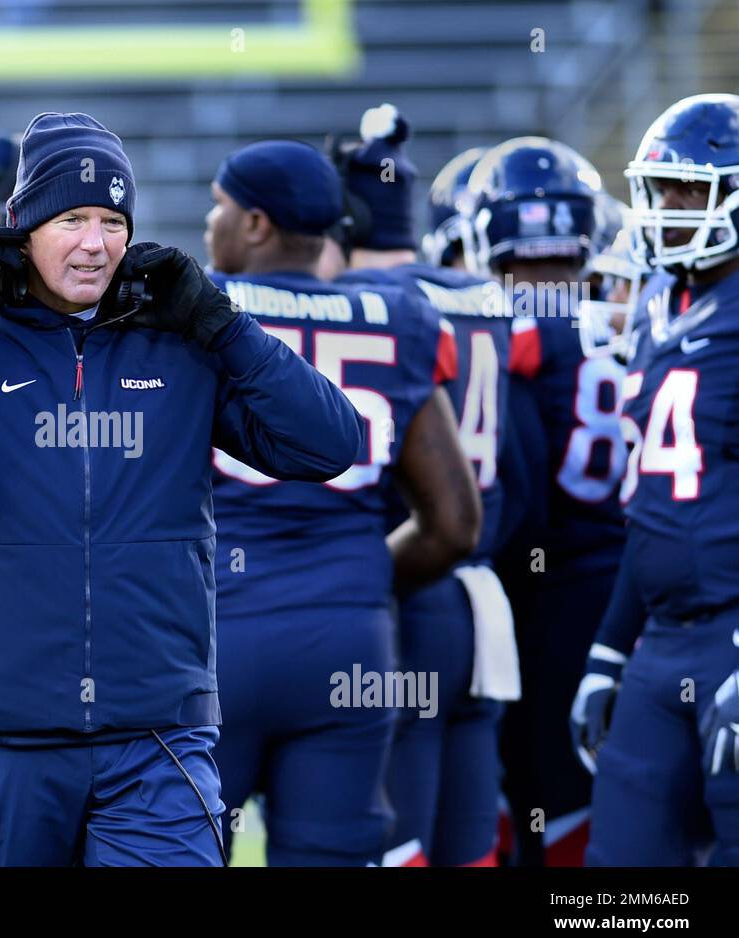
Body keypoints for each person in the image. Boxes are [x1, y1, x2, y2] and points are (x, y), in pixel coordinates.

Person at [0, 111, 364, 866]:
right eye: (71, 218)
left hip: (157, 738)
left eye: (111, 219)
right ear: (22, 227)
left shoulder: (182, 340)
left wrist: (227, 326)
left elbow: (332, 444)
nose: (95, 242)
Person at [203, 139, 479, 865]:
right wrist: (351, 581)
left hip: (209, 640)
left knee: (179, 848)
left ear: (256, 224)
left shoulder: (195, 307)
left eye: (220, 206)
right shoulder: (400, 318)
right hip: (348, 645)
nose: (210, 222)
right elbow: (454, 525)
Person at [332, 108, 516, 866]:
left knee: (394, 843)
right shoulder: (482, 298)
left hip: (401, 598)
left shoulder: (375, 310)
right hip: (480, 598)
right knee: (465, 845)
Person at [574, 94, 739, 865]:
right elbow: (655, 510)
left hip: (731, 636)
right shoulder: (655, 306)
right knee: (621, 876)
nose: (668, 209)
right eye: (660, 189)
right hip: (663, 641)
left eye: (689, 191)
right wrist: (609, 651)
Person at [466, 137, 628, 866]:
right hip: (632, 585)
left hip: (544, 595)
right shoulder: (629, 322)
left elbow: (517, 488)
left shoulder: (509, 331)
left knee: (539, 804)